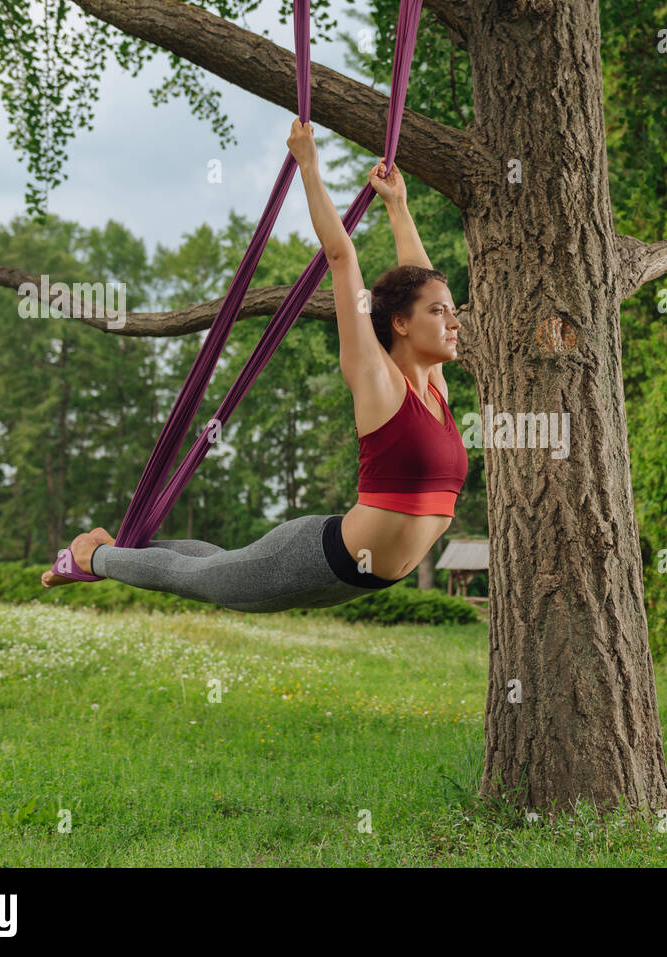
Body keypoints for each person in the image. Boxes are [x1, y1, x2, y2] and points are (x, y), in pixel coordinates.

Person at [39, 118, 466, 612]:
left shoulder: (434, 391)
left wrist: (398, 207)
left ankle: (114, 545)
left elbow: (423, 280)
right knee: (206, 579)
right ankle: (92, 557)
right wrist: (308, 164)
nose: (454, 322)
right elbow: (341, 256)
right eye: (439, 313)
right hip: (318, 557)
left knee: (221, 564)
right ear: (400, 324)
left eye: (451, 311)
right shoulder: (379, 382)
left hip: (363, 579)